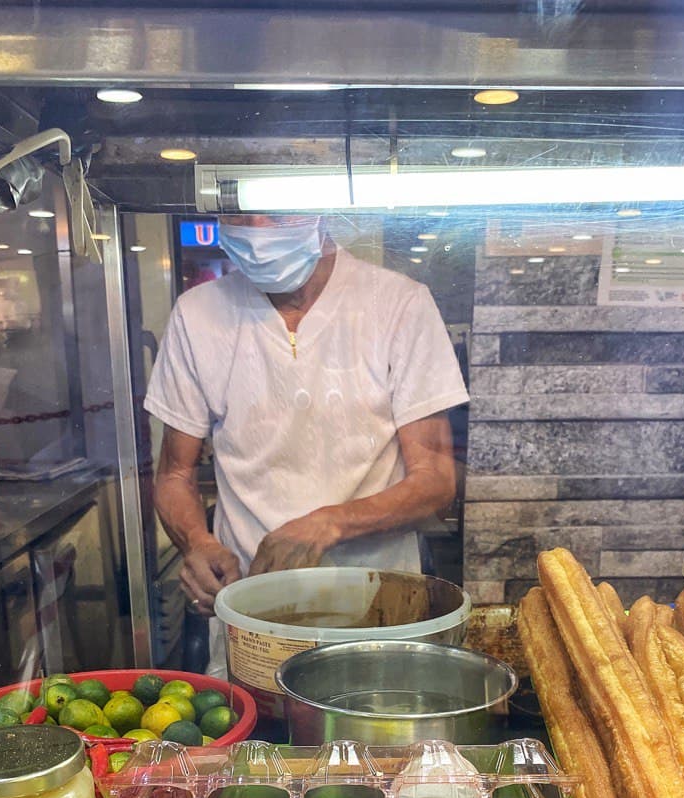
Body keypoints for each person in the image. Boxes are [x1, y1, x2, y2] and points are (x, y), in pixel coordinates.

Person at [145, 214, 469, 644]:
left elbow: (436, 480)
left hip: (378, 611)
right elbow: (174, 474)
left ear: (324, 212)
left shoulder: (399, 304)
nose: (259, 227)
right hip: (250, 615)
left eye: (278, 212)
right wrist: (197, 543)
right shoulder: (197, 314)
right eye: (241, 213)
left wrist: (330, 523)